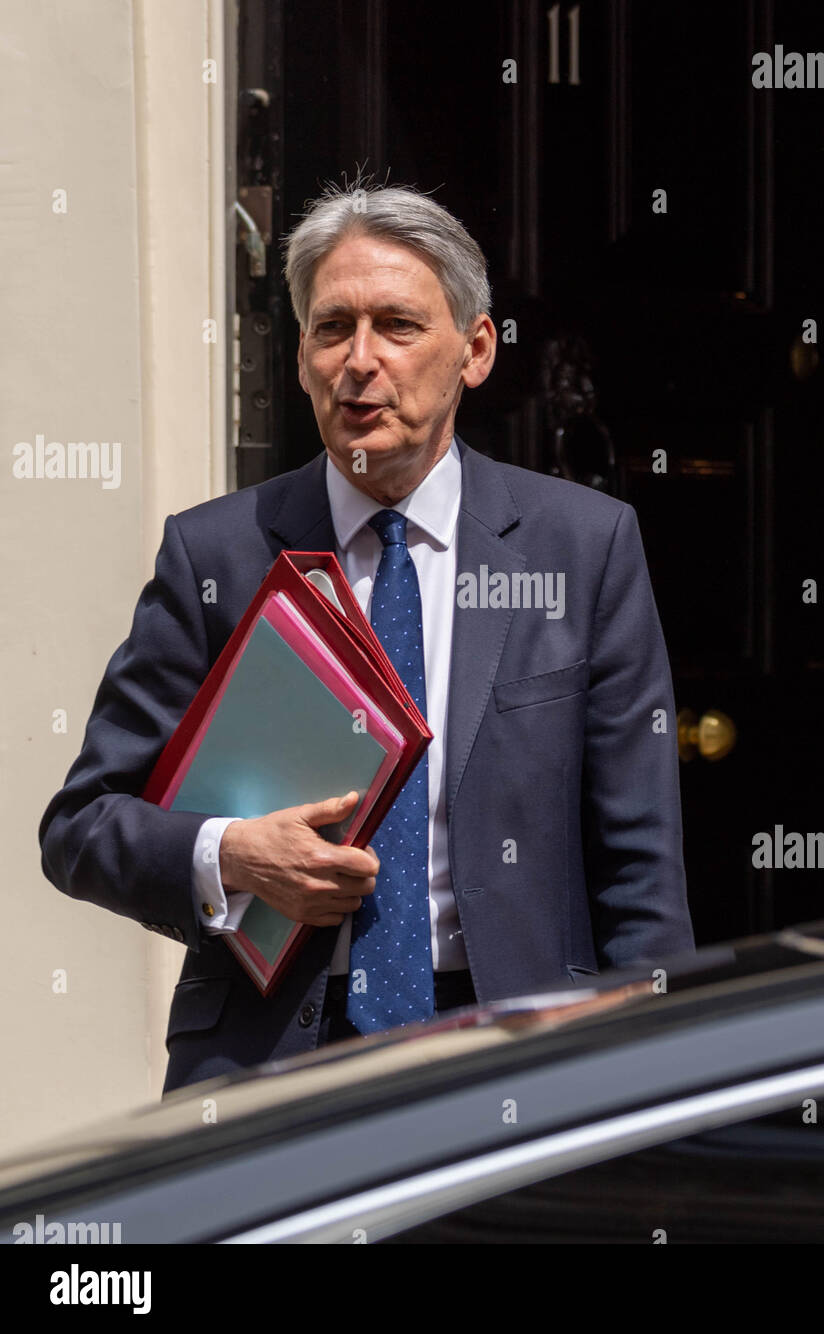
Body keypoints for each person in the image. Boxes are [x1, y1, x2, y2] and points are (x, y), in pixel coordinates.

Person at [39, 181, 694, 1093]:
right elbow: (81, 828)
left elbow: (641, 864)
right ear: (302, 358)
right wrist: (229, 854)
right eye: (331, 328)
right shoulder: (216, 552)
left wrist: (650, 1075)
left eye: (397, 326)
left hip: (520, 1050)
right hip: (270, 1062)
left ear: (474, 351)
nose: (360, 361)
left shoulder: (582, 547)